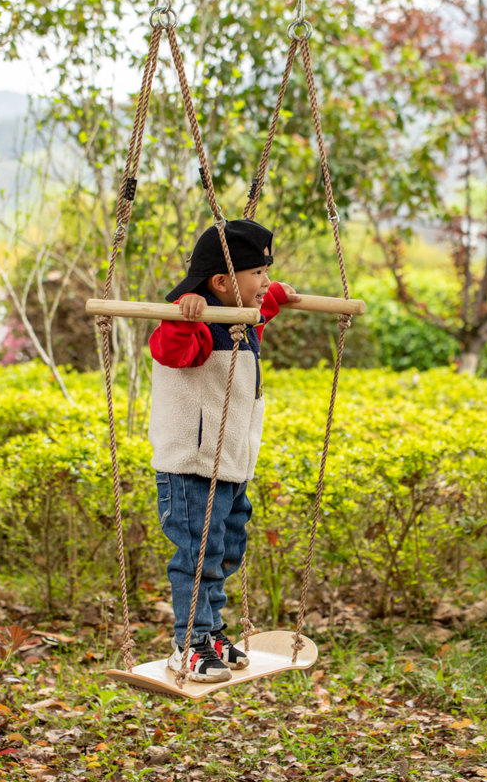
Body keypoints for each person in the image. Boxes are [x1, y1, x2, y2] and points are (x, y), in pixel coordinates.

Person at [148, 219, 300, 682]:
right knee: (197, 555)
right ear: (220, 283)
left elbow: (259, 313)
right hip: (193, 466)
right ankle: (187, 644)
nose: (266, 282)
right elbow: (170, 350)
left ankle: (211, 632)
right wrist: (182, 312)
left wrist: (272, 298)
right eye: (258, 274)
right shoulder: (191, 324)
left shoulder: (238, 319)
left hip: (231, 465)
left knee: (226, 551)